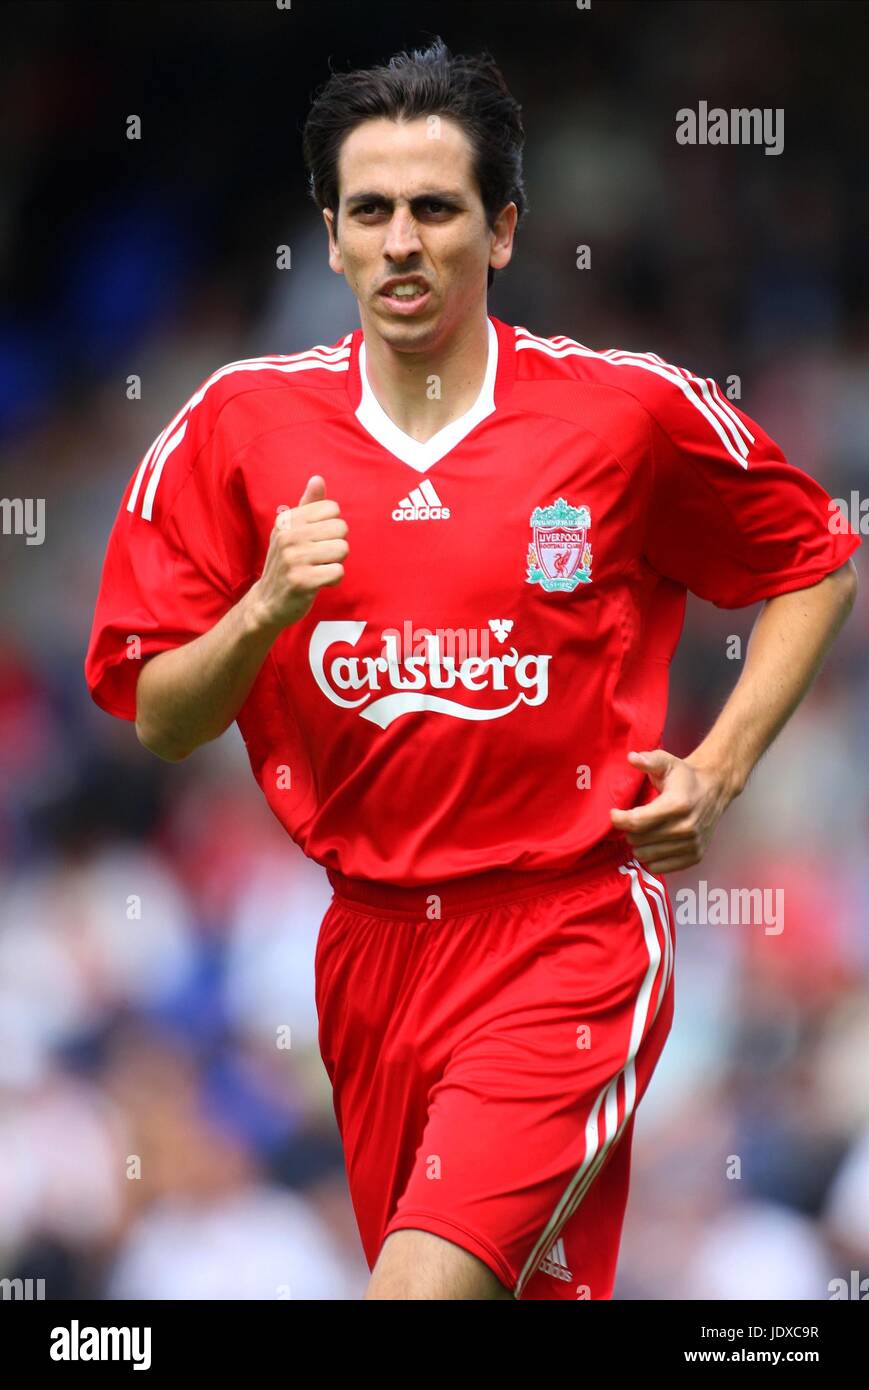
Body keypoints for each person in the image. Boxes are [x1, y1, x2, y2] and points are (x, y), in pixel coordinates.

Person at [84, 38, 861, 1300]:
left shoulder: (622, 413)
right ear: (330, 237)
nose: (402, 240)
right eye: (371, 210)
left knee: (412, 1291)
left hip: (568, 927)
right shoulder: (236, 428)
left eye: (435, 208)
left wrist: (716, 773)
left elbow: (815, 559)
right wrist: (262, 608)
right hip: (367, 948)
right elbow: (162, 721)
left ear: (499, 232)